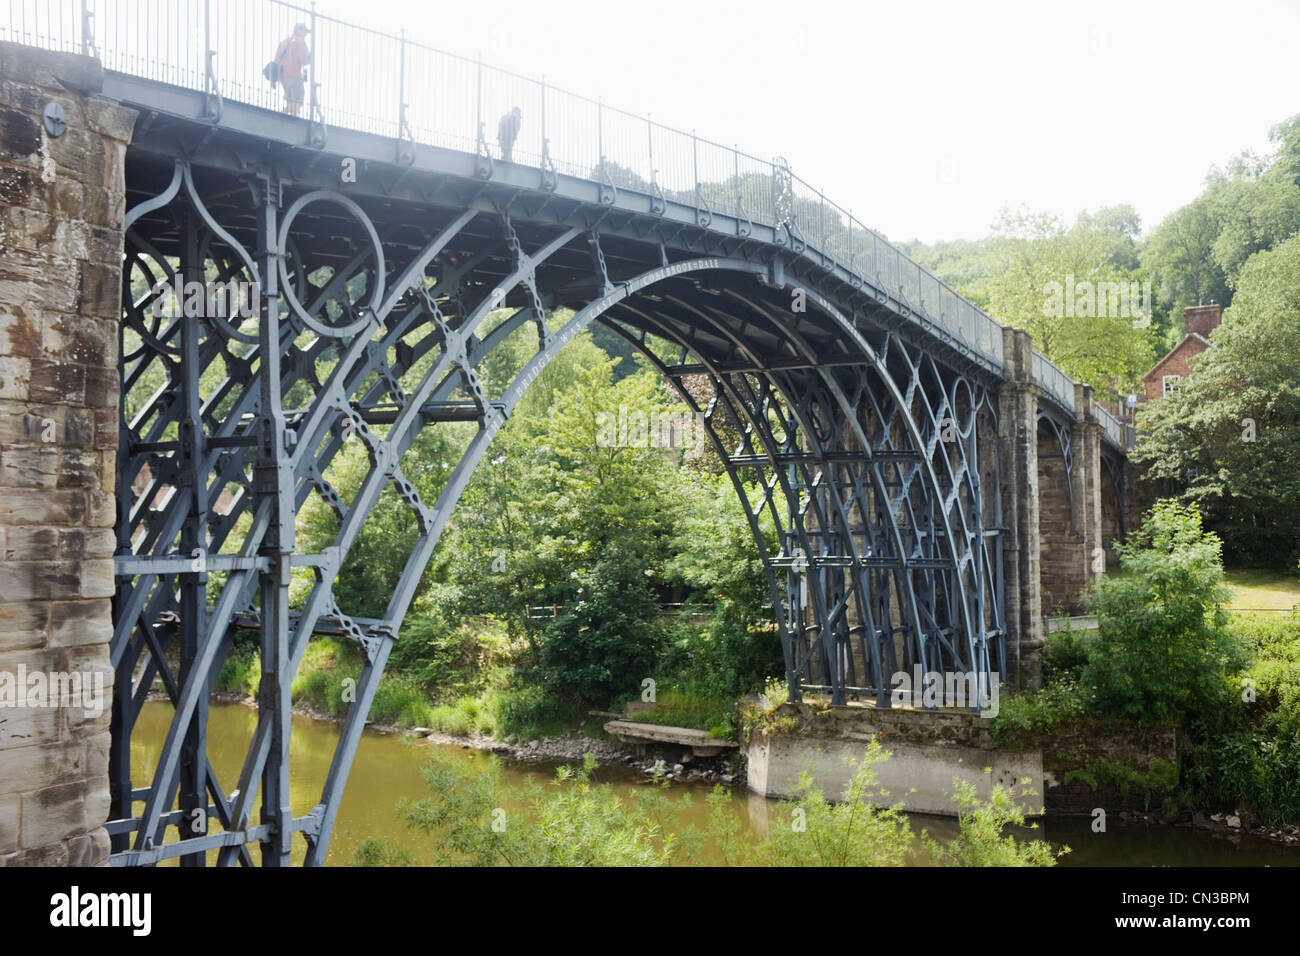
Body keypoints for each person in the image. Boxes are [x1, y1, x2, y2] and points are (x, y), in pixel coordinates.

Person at [274, 23, 311, 117]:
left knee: (290, 99)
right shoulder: (300, 42)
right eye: (305, 32)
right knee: (298, 99)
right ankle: (292, 118)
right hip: (295, 75)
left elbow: (276, 60)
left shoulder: (284, 42)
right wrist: (310, 56)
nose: (306, 34)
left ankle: (285, 114)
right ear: (299, 31)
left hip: (282, 76)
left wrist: (273, 80)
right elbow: (305, 60)